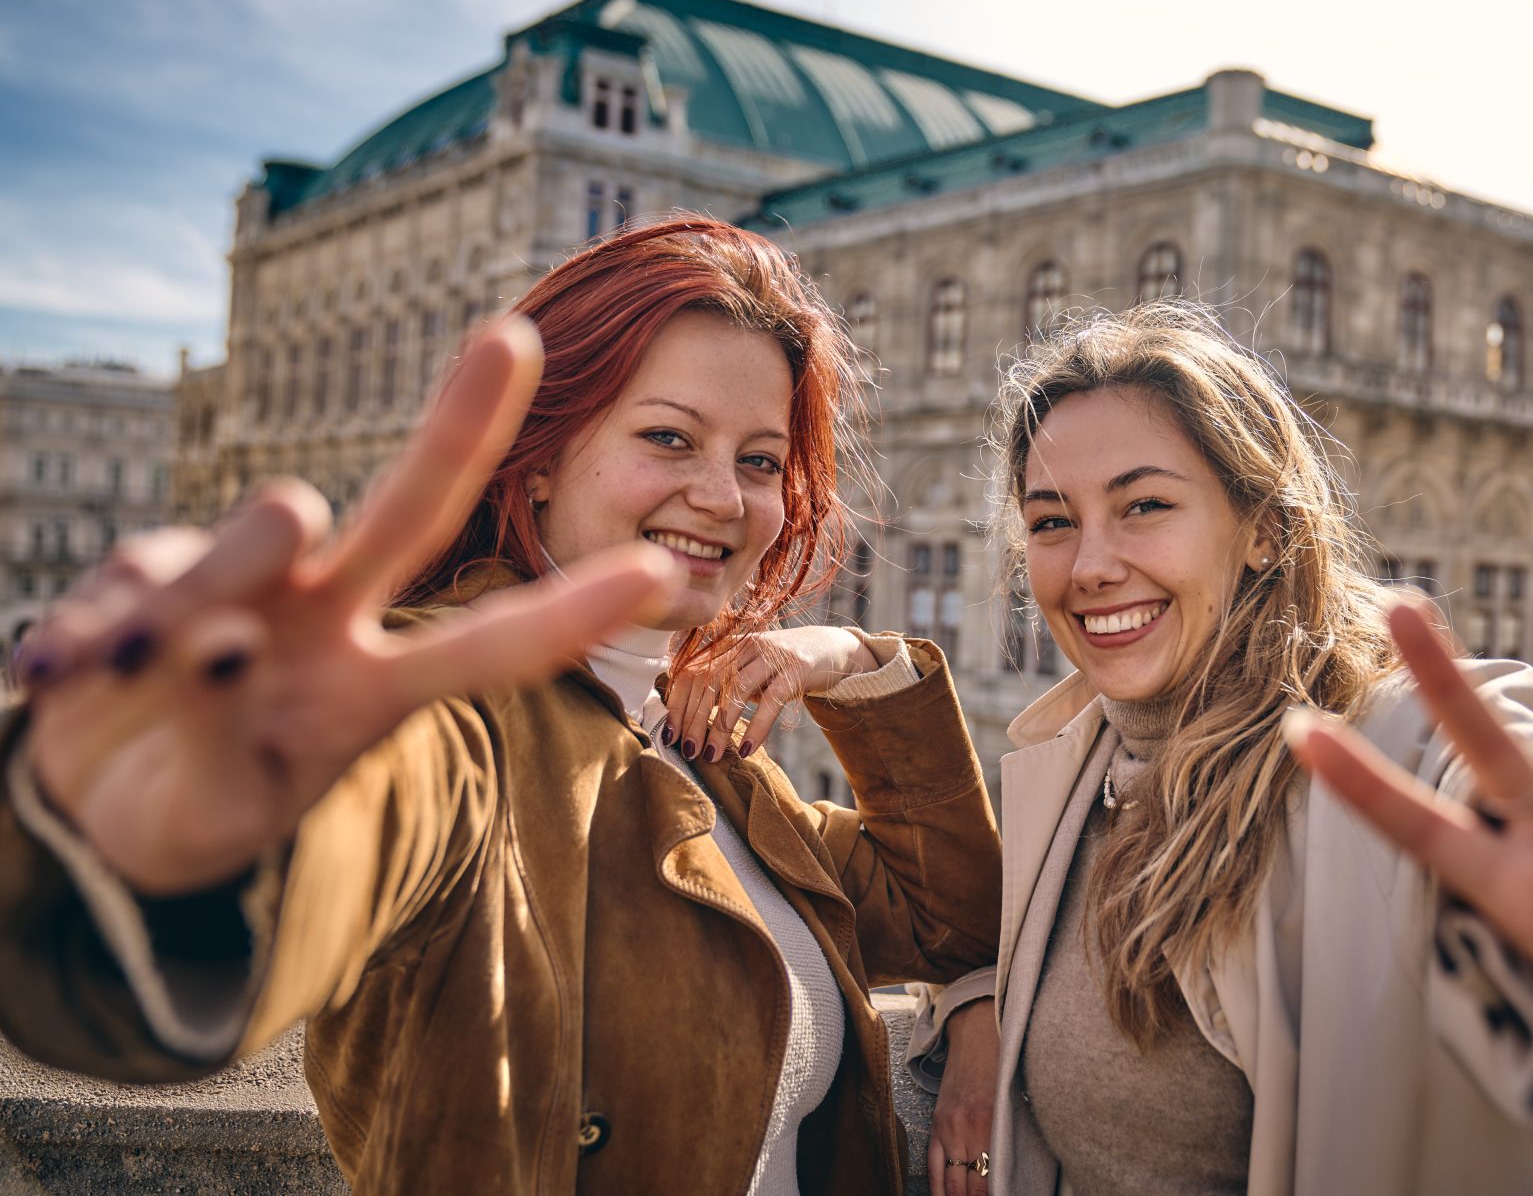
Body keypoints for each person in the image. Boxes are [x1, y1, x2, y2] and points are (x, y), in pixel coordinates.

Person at [0, 216, 1001, 1196]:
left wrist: (849, 655)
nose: (722, 495)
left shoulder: (714, 752)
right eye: (668, 436)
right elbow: (369, 820)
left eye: (758, 461)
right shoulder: (452, 705)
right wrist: (158, 842)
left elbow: (952, 920)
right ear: (540, 458)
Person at [913, 302, 1533, 1196]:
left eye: (1145, 504)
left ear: (1264, 528)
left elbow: (1486, 770)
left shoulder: (1374, 748)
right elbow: (944, 907)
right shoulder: (1076, 761)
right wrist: (978, 1010)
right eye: (1050, 520)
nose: (1090, 565)